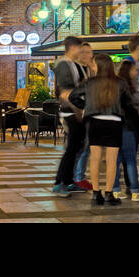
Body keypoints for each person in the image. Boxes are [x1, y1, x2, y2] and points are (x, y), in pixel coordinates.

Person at [73, 54, 138, 208]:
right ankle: (109, 194)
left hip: (95, 122)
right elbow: (129, 103)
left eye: (94, 64)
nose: (92, 66)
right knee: (112, 160)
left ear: (100, 66)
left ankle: (96, 194)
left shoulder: (90, 82)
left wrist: (87, 107)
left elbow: (73, 96)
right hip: (114, 123)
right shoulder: (120, 82)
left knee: (95, 158)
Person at [50, 37, 89, 196]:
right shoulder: (63, 65)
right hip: (71, 112)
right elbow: (65, 93)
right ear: (73, 47)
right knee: (72, 148)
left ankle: (68, 180)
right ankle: (60, 183)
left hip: (77, 111)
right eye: (80, 48)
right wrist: (78, 111)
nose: (81, 51)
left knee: (77, 147)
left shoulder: (75, 65)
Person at [114, 35, 139, 198]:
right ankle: (132, 188)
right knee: (128, 156)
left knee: (125, 155)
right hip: (130, 118)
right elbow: (132, 94)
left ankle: (126, 186)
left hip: (132, 118)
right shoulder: (129, 65)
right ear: (138, 46)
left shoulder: (133, 66)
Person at [71, 42, 97, 191]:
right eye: (85, 52)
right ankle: (77, 177)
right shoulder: (77, 70)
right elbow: (73, 94)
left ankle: (79, 176)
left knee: (86, 147)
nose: (88, 55)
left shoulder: (88, 69)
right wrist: (84, 106)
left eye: (89, 52)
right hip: (78, 115)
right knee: (82, 147)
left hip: (88, 115)